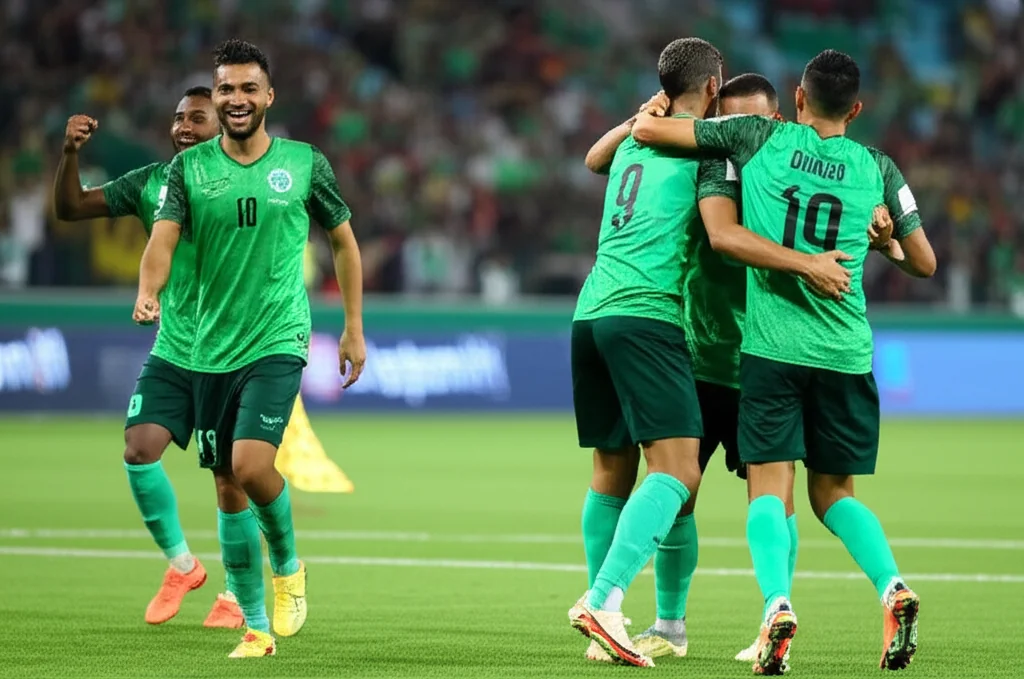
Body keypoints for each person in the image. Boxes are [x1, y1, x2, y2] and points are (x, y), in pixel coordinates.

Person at [631, 49, 937, 674]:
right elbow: (925, 263)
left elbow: (650, 132)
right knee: (833, 494)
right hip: (847, 353)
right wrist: (882, 244)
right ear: (856, 108)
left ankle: (775, 606)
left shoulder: (756, 138)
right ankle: (891, 587)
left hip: (772, 351)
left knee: (769, 488)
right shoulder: (878, 169)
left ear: (797, 99)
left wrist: (657, 107)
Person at [582, 71, 871, 664]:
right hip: (694, 354)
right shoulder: (709, 170)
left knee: (774, 499)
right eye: (720, 127)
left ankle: (773, 620)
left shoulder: (781, 179)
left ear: (776, 123)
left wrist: (881, 232)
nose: (728, 138)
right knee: (678, 491)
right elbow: (607, 156)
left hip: (762, 362)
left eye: (743, 126)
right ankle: (668, 624)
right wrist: (643, 118)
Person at [134, 39, 367, 659]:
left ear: (268, 96)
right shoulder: (188, 170)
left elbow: (344, 242)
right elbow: (162, 239)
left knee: (252, 466)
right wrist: (148, 290)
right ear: (217, 97)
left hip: (277, 337)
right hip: (209, 348)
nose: (235, 99)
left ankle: (288, 567)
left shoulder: (305, 163)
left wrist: (352, 327)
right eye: (225, 90)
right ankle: (257, 628)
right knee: (226, 486)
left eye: (246, 88)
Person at [54, 88, 244, 629]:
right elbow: (70, 208)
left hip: (230, 349)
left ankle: (235, 592)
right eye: (179, 118)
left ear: (223, 125)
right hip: (175, 346)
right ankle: (182, 567)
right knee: (139, 449)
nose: (184, 127)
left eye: (197, 118)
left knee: (228, 476)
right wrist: (69, 154)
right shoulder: (150, 182)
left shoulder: (242, 179)